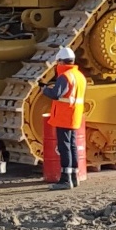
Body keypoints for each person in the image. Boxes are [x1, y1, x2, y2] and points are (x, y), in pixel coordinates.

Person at [40, 47, 88, 188]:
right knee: (72, 145)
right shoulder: (79, 76)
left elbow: (56, 94)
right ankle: (74, 177)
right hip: (74, 116)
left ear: (61, 62)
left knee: (64, 146)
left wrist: (44, 90)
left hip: (64, 116)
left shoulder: (65, 76)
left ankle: (65, 180)